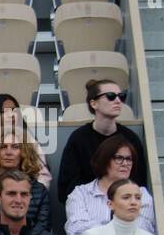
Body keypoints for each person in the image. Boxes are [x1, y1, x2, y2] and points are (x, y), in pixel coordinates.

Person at [56, 79, 149, 208]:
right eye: (111, 96)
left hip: (125, 208)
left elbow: (139, 182)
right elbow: (66, 188)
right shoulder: (78, 138)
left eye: (121, 96)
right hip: (87, 207)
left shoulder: (130, 139)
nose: (118, 101)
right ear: (93, 103)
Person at [65, 134, 156, 235]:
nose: (125, 163)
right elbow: (75, 228)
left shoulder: (141, 194)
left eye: (129, 159)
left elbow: (143, 229)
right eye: (119, 158)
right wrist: (118, 229)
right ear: (104, 160)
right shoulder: (81, 193)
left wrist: (99, 229)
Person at [0, 93, 50, 188]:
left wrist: (28, 197)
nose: (11, 115)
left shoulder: (31, 142)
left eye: (14, 110)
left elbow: (43, 176)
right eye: (4, 112)